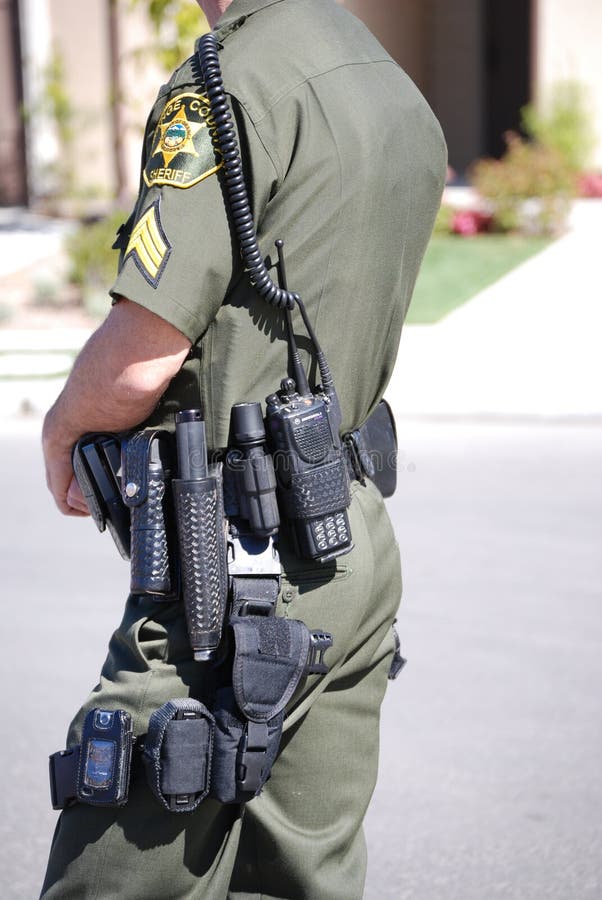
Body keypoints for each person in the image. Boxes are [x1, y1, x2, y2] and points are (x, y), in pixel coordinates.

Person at [41, 0, 446, 896]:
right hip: (352, 541)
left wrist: (64, 422)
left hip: (232, 568)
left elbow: (141, 357)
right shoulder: (387, 79)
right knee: (301, 873)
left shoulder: (230, 81)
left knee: (114, 868)